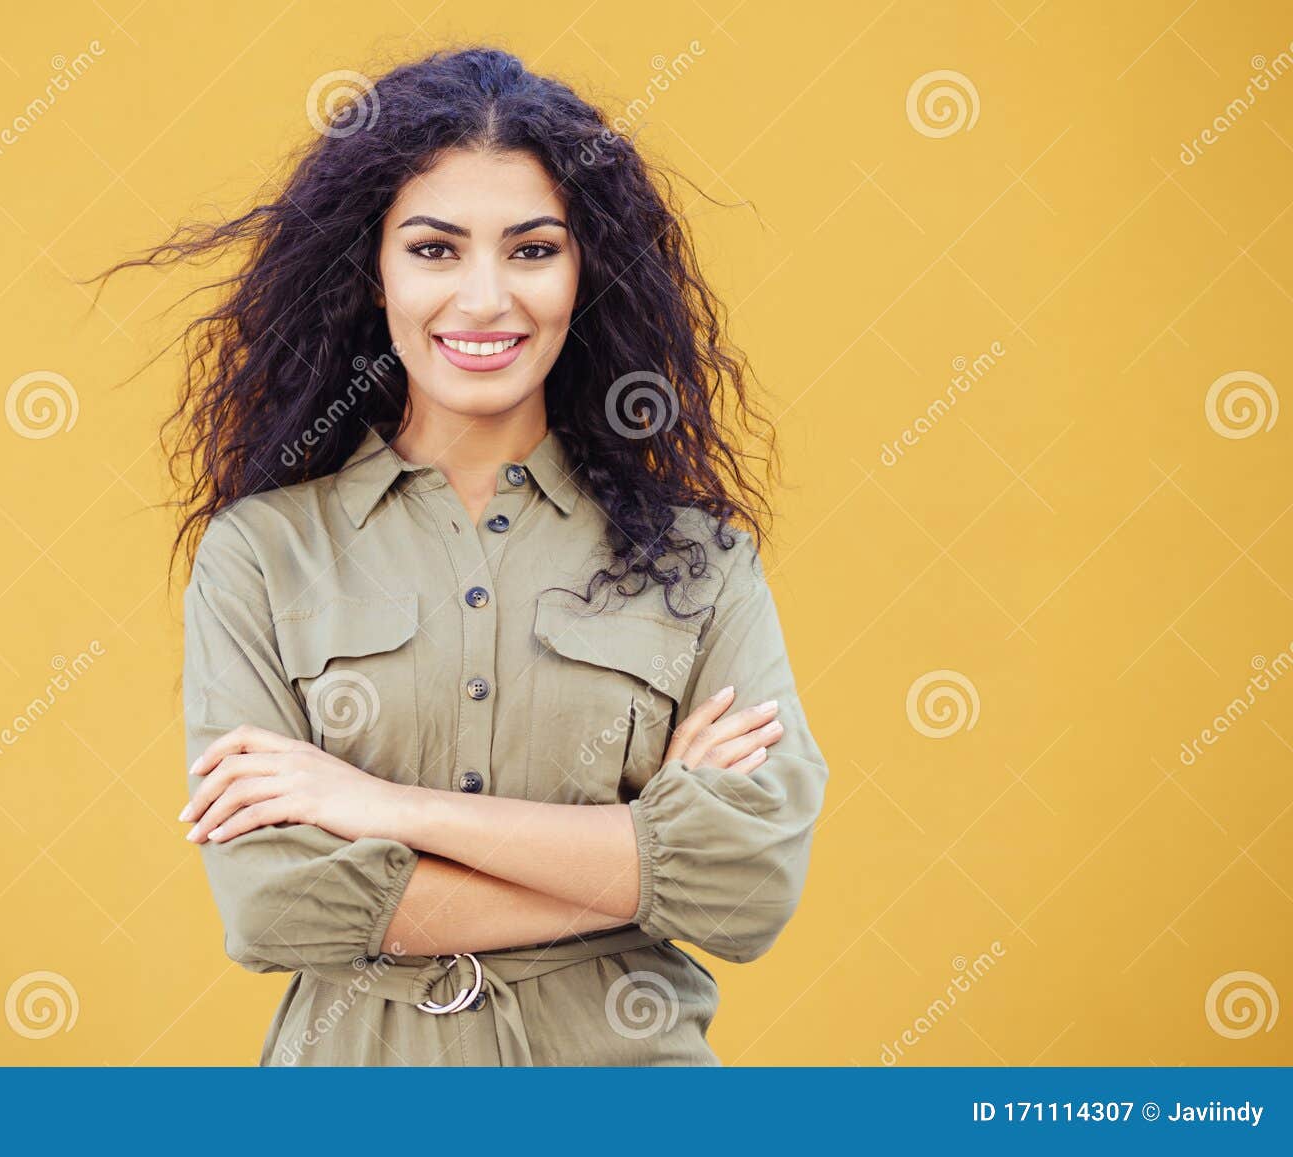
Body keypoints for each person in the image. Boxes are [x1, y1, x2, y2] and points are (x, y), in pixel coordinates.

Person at [103, 45, 829, 1065]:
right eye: (435, 249)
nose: (485, 298)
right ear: (374, 269)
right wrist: (636, 862)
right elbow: (276, 905)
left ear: (587, 269)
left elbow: (748, 883)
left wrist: (380, 809)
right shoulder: (261, 556)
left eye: (532, 249)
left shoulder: (699, 562)